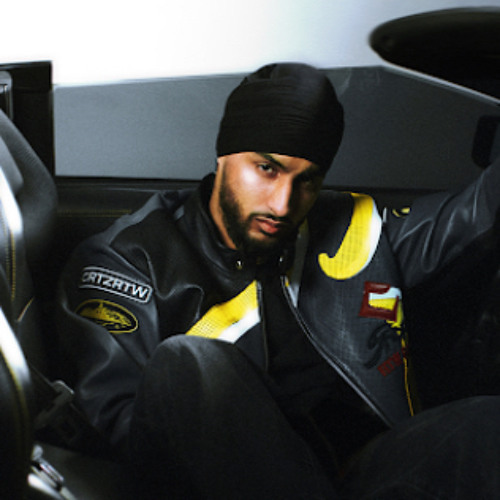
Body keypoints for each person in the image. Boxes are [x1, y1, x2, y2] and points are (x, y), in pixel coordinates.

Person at [55, 63, 500, 498]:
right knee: (190, 362)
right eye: (267, 169)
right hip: (231, 475)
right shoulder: (129, 261)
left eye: (306, 180)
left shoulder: (355, 232)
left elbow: (477, 214)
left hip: (359, 466)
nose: (283, 204)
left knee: (485, 422)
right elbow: (119, 422)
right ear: (223, 155)